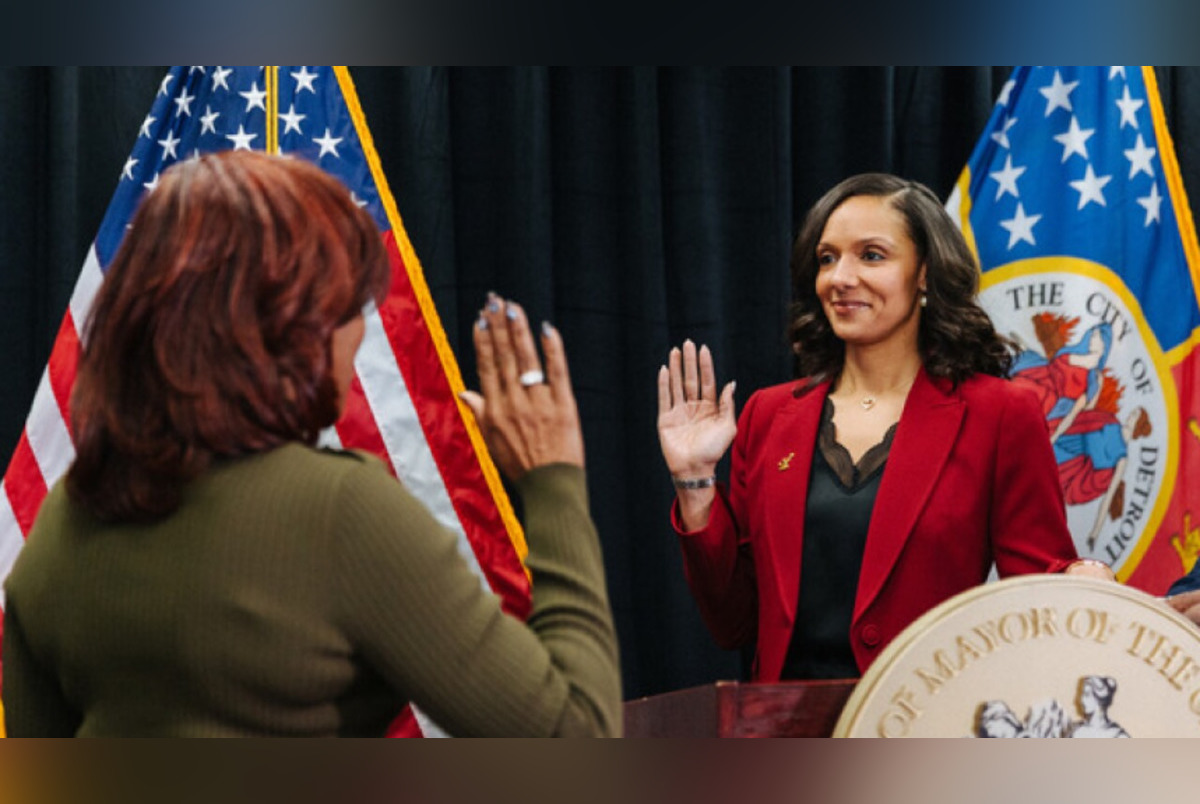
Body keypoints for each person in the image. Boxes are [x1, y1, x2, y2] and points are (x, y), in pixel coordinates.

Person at [1, 151, 621, 737]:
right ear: (285, 329)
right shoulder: (342, 513)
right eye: (347, 305)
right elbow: (577, 736)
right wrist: (553, 481)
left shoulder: (59, 529)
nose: (358, 331)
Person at [656, 172, 1112, 683]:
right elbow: (733, 623)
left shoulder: (1001, 413)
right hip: (786, 742)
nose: (840, 278)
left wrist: (1081, 577)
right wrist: (695, 484)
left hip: (925, 731)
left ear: (924, 274)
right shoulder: (767, 416)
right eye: (827, 258)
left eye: (871, 255)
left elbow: (1037, 587)